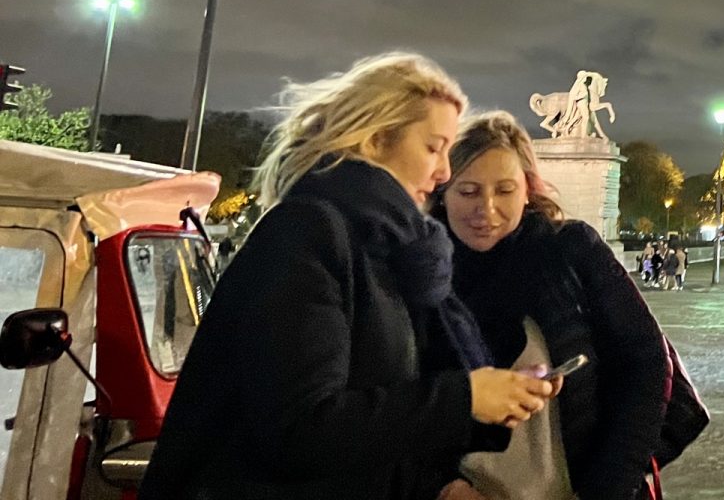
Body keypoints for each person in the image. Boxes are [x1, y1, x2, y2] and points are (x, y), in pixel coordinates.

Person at [141, 53, 551, 500]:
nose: (444, 173)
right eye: (434, 147)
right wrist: (465, 399)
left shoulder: (388, 252)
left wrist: (482, 418)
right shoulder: (306, 233)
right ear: (375, 141)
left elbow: (375, 424)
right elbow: (297, 431)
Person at [436, 112, 671, 500]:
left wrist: (605, 490)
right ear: (441, 191)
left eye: (505, 190)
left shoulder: (574, 250)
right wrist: (441, 486)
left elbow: (645, 365)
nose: (487, 209)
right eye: (468, 191)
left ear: (528, 189)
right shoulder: (414, 273)